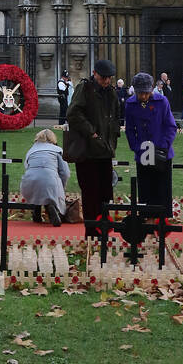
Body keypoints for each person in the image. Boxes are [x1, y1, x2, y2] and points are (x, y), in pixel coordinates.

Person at [66, 59, 122, 236]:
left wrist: (113, 135)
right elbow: (73, 113)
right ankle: (92, 232)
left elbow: (114, 116)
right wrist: (91, 133)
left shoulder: (111, 92)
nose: (106, 81)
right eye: (103, 77)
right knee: (90, 194)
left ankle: (103, 228)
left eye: (109, 78)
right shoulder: (85, 88)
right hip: (88, 151)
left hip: (104, 150)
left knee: (105, 192)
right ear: (95, 73)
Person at [125, 72, 177, 214]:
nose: (143, 96)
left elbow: (171, 126)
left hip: (162, 152)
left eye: (146, 93)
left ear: (151, 89)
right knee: (145, 191)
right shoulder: (130, 105)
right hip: (143, 152)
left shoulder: (162, 101)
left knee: (162, 191)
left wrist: (164, 146)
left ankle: (161, 225)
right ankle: (147, 222)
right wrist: (137, 148)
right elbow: (129, 130)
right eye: (140, 93)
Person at [20, 128, 70, 226]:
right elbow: (65, 172)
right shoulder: (58, 150)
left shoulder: (31, 150)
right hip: (49, 180)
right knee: (50, 186)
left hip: (29, 181)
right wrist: (62, 188)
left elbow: (27, 167)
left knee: (38, 186)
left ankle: (36, 211)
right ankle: (51, 206)